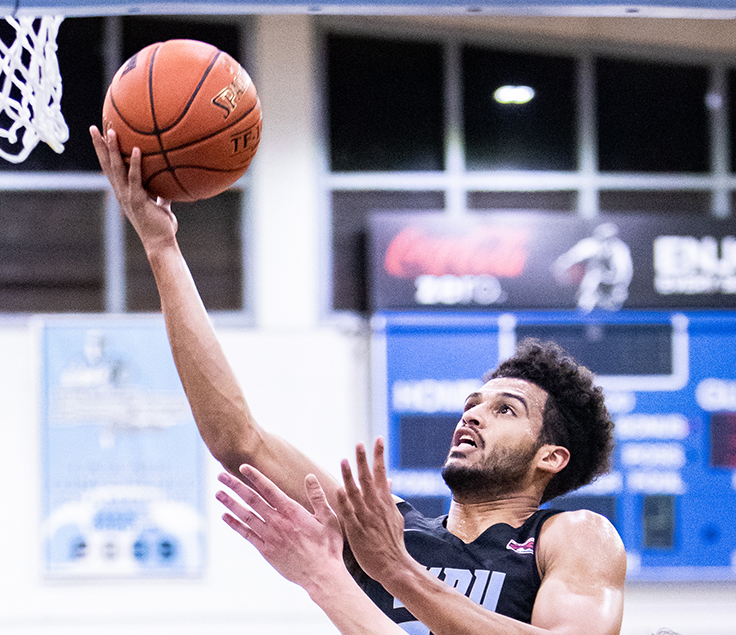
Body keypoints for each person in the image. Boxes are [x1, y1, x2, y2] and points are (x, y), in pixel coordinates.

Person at [90, 125, 626, 635]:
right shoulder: (385, 526)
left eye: (505, 409)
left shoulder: (570, 536)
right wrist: (162, 249)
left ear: (549, 456)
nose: (473, 414)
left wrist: (395, 571)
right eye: (473, 403)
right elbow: (239, 440)